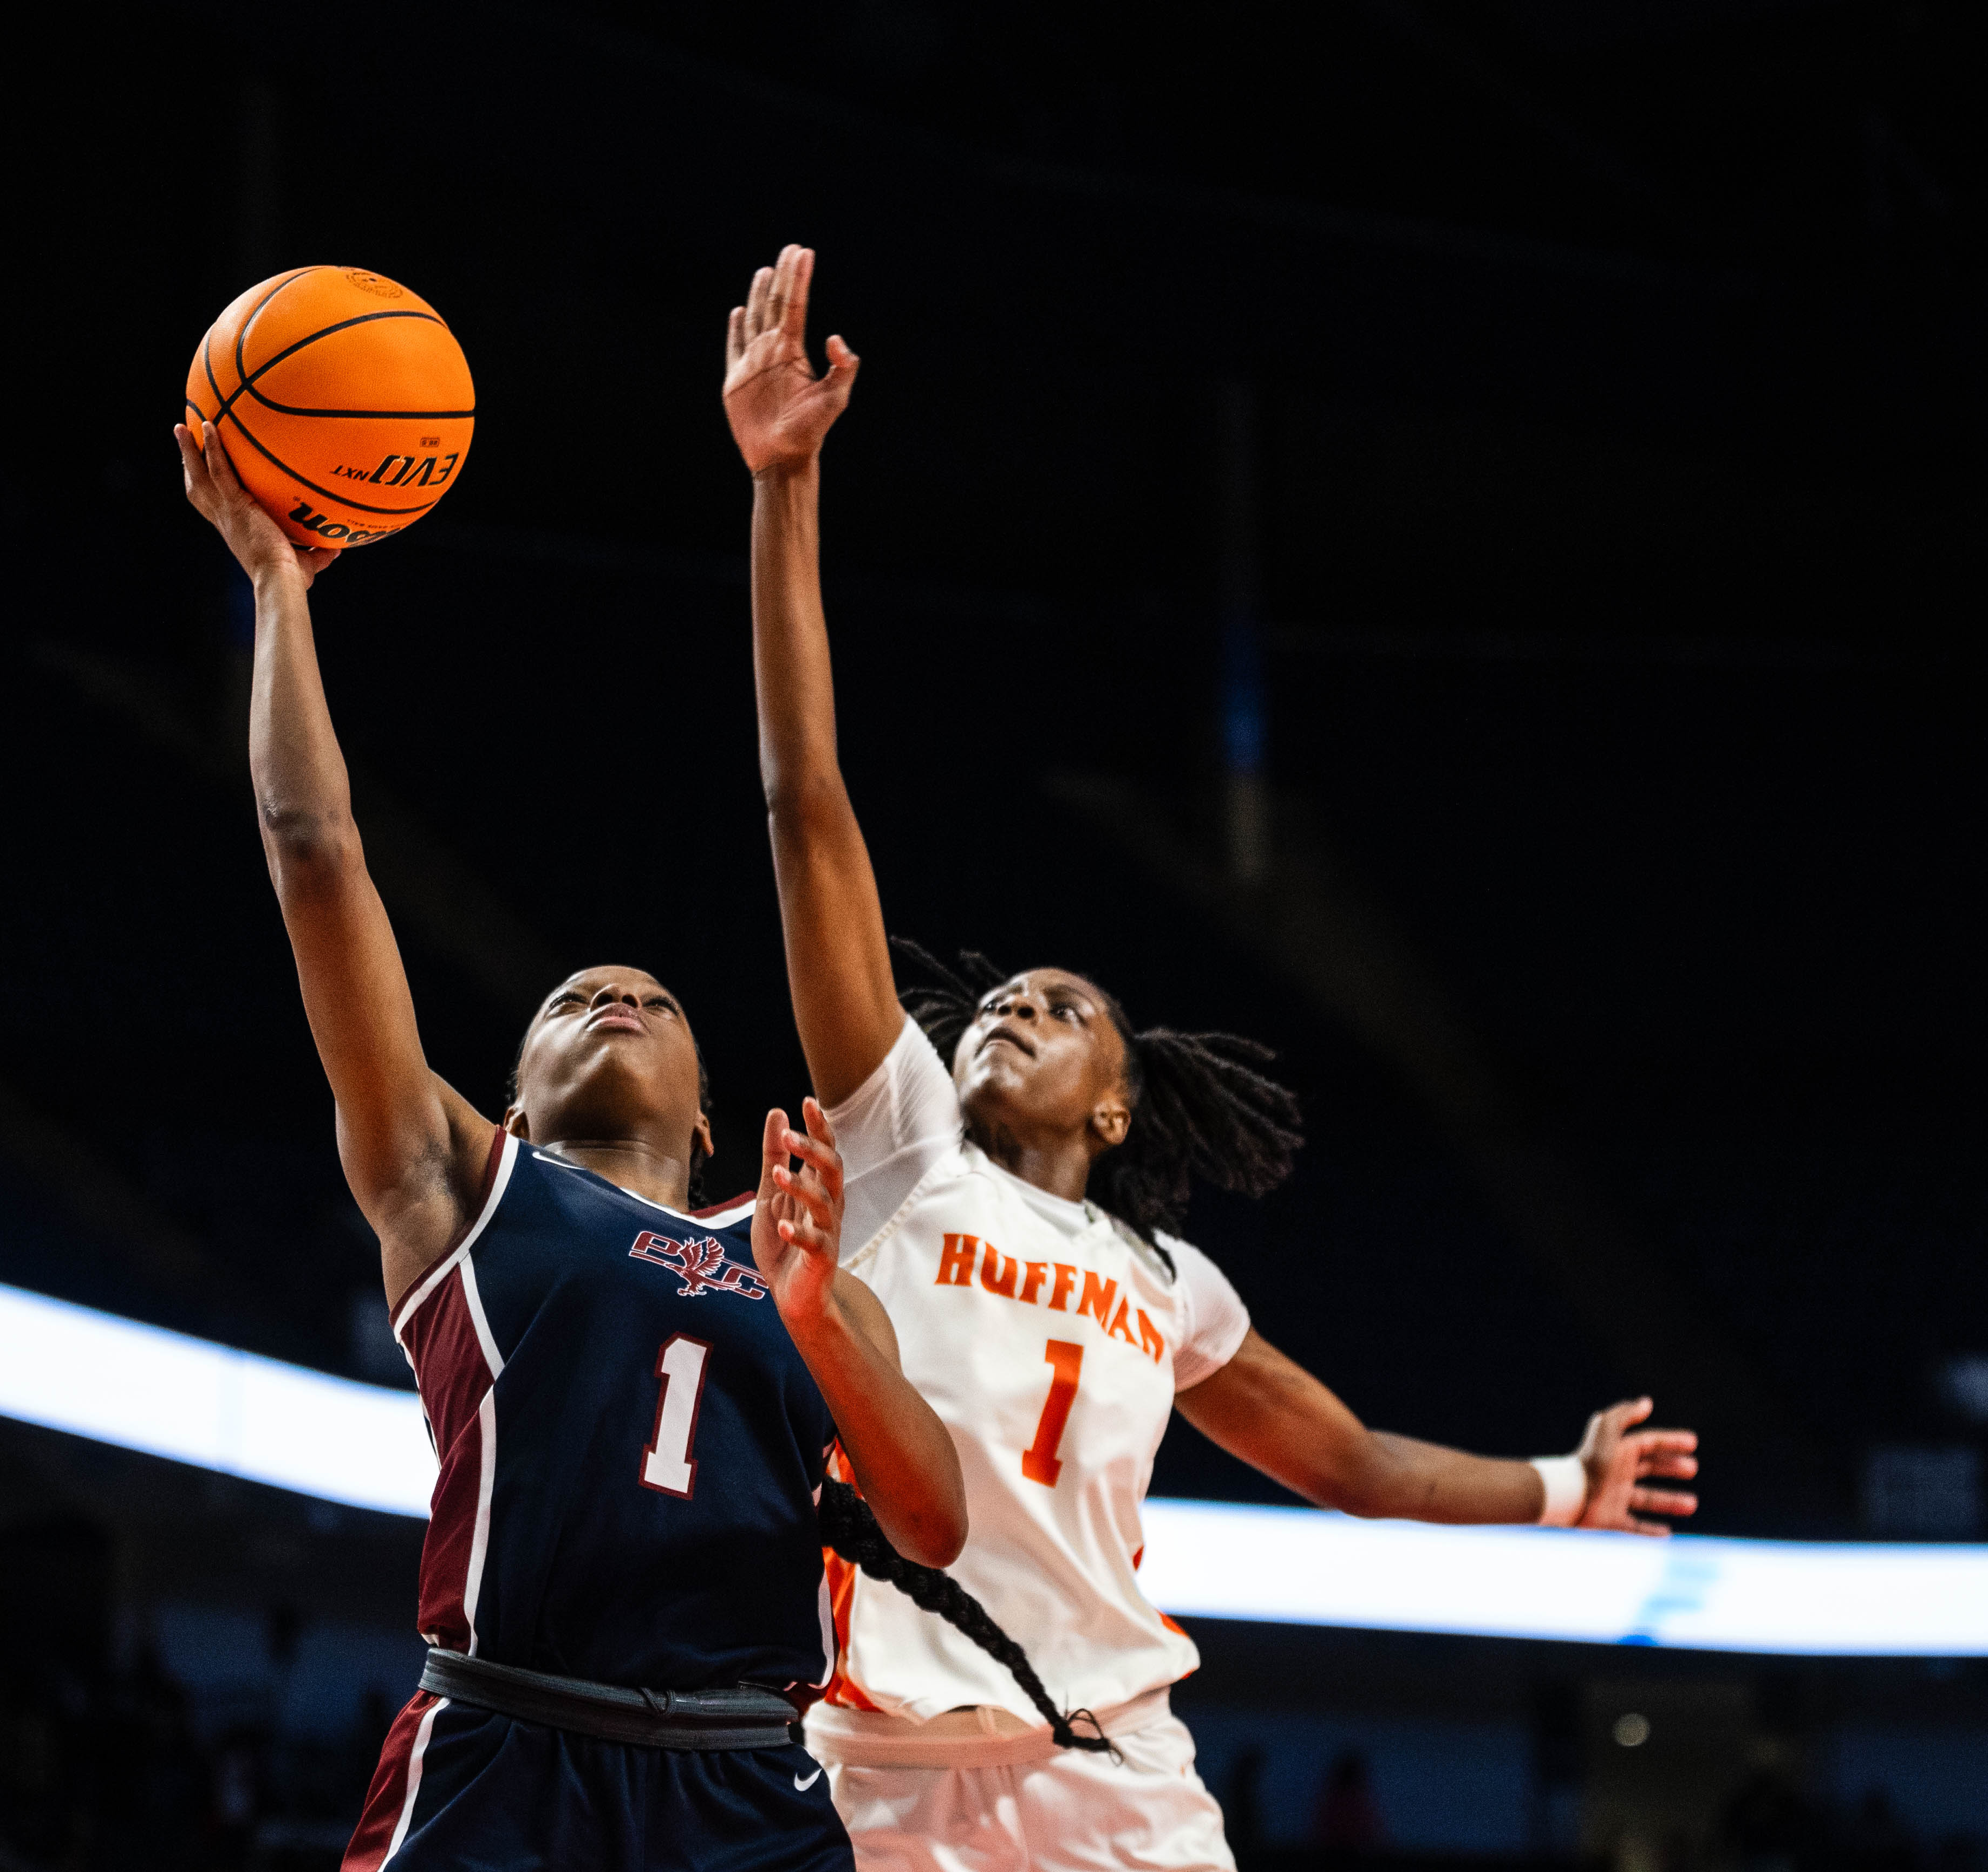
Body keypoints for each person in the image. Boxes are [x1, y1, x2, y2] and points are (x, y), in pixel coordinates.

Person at [720, 244, 1702, 1871]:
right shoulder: (899, 1139)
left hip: (1111, 1763)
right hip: (881, 1770)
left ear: (1114, 1101)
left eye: (1060, 1004)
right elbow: (804, 802)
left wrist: (1560, 1483)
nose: (1010, 1006)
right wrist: (782, 487)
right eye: (998, 997)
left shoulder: (1170, 1278)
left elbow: (1354, 1461)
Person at [172, 416, 969, 1872]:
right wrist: (277, 588)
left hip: (742, 1781)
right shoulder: (458, 1184)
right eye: (572, 998)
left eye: (650, 998)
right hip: (501, 1745)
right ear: (517, 1095)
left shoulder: (797, 1257)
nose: (612, 996)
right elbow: (314, 845)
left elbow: (935, 1524)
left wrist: (818, 1321)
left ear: (709, 1112)